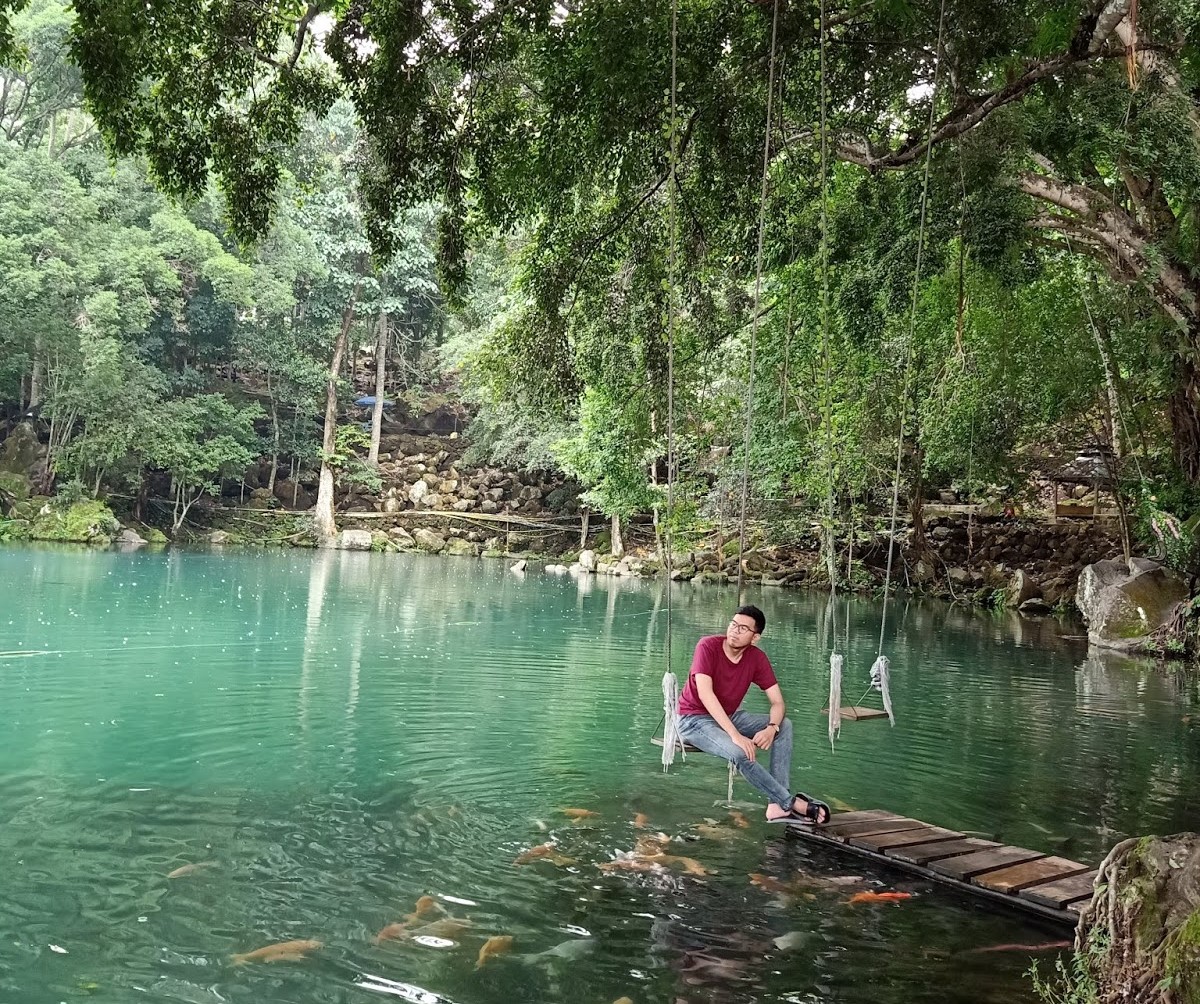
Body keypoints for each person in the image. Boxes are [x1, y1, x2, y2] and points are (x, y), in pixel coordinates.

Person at [676, 604, 830, 824]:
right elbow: (705, 694)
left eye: (742, 628)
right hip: (693, 720)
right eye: (733, 624)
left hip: (727, 717)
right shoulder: (707, 646)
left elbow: (778, 702)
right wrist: (735, 735)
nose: (734, 631)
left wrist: (771, 728)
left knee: (784, 725)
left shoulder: (756, 658)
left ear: (755, 637)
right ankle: (789, 803)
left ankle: (776, 805)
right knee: (740, 752)